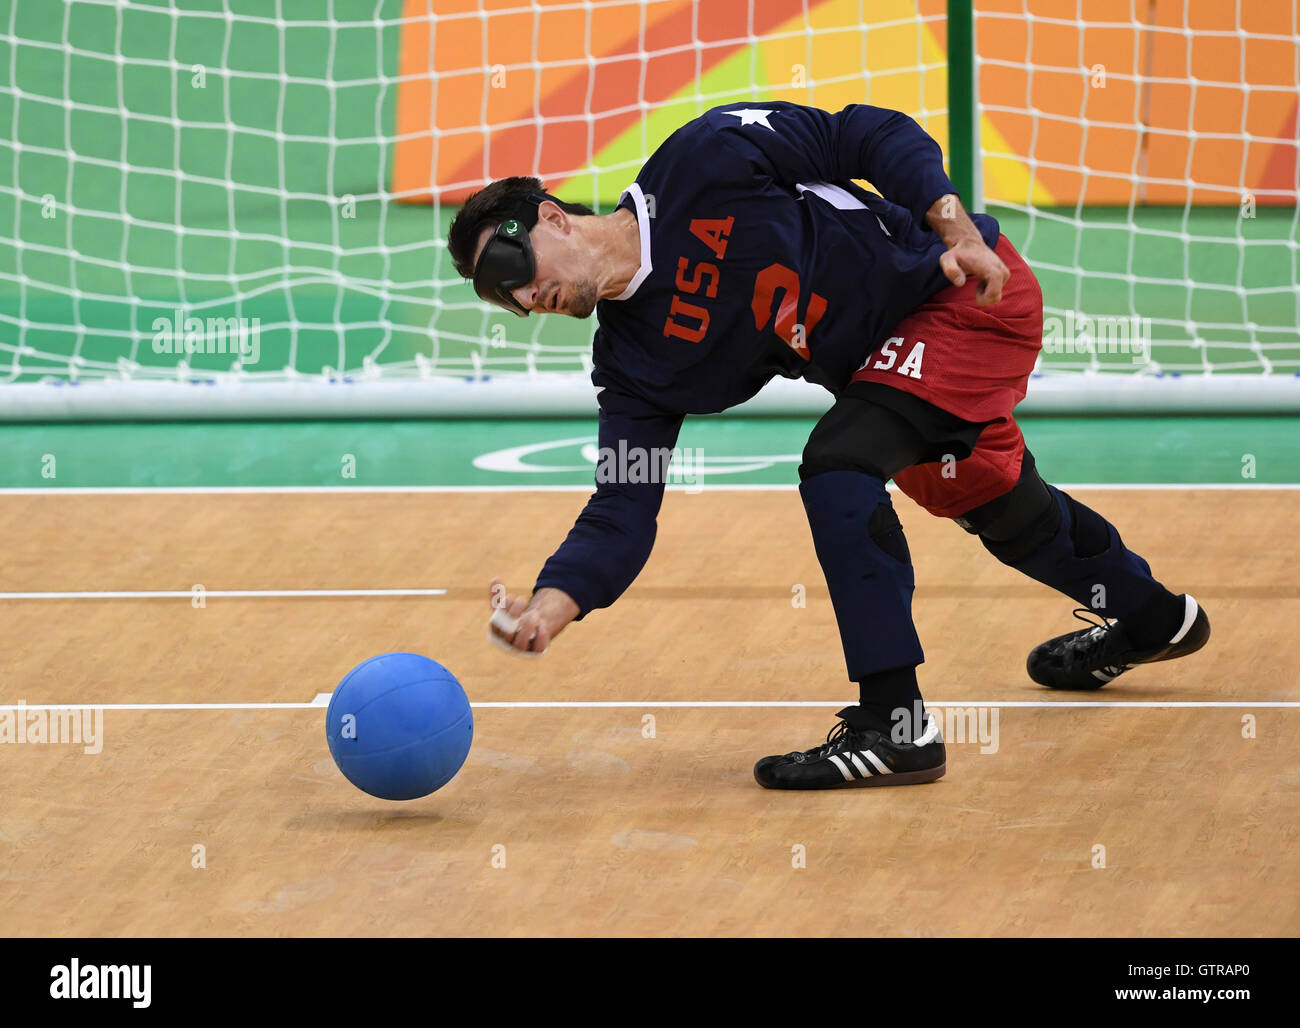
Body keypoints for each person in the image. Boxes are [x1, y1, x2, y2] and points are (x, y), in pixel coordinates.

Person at [446, 101, 1210, 790]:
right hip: (889, 374)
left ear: (551, 217)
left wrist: (955, 229)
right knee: (1007, 511)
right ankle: (1153, 618)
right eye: (498, 297)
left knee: (837, 467)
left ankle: (895, 728)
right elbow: (623, 503)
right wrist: (553, 605)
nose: (520, 299)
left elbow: (868, 132)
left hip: (964, 295)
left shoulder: (706, 159)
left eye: (510, 269)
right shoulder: (635, 364)